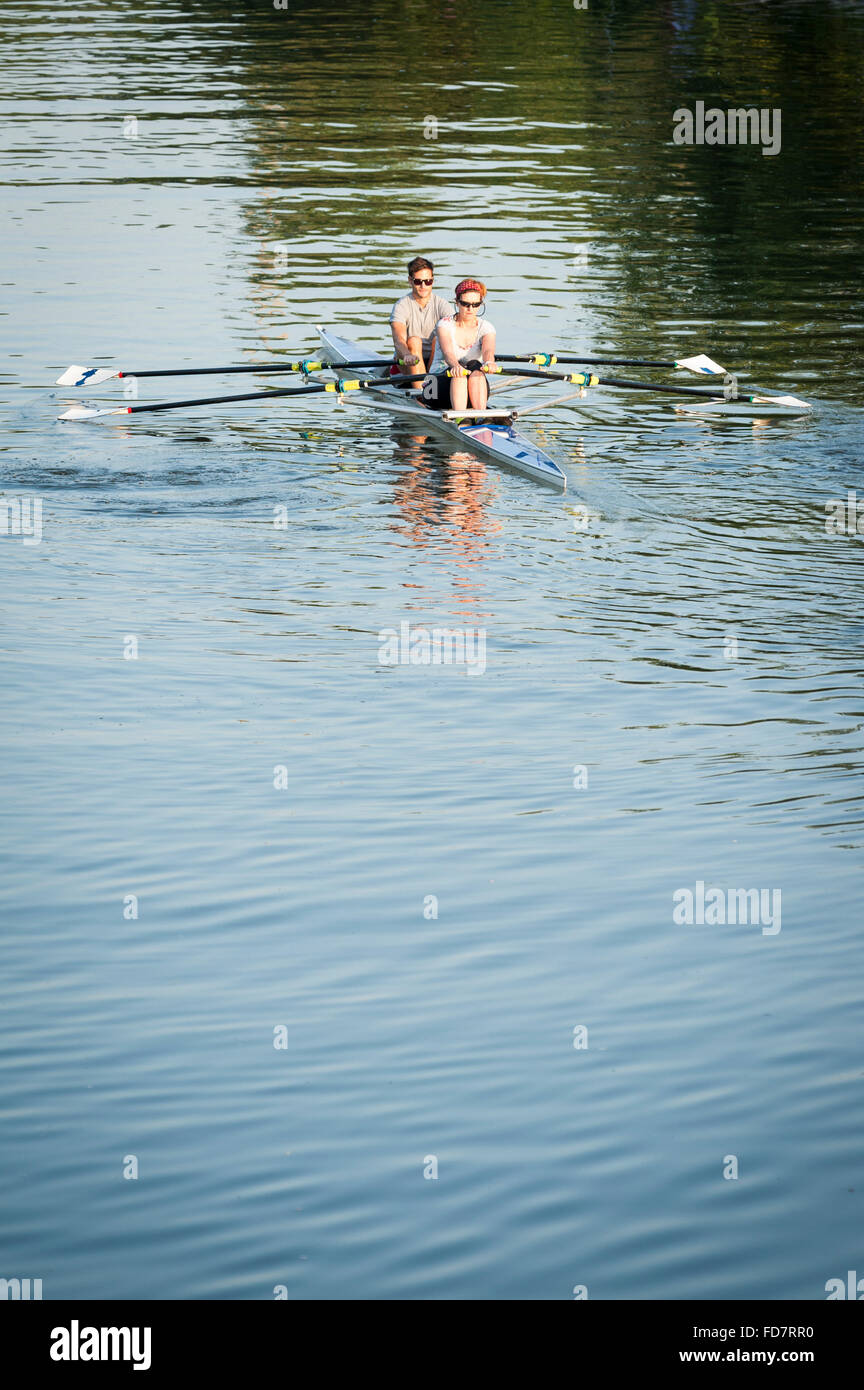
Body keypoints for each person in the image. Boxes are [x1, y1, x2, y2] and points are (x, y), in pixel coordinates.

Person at [426, 280, 496, 412]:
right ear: (457, 302)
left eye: (476, 304)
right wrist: (456, 366)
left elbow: (488, 351)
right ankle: (460, 418)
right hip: (436, 389)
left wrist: (489, 362)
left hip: (470, 387)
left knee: (476, 365)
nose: (470, 309)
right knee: (460, 371)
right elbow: (448, 354)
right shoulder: (444, 325)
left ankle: (480, 415)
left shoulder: (487, 328)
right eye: (465, 304)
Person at [389, 258, 452, 376]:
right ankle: (421, 392)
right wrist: (407, 354)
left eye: (428, 281)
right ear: (410, 281)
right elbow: (399, 340)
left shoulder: (443, 305)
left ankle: (429, 385)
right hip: (407, 361)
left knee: (438, 339)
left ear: (432, 281)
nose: (423, 286)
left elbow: (455, 333)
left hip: (435, 361)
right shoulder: (401, 306)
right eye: (418, 281)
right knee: (414, 341)